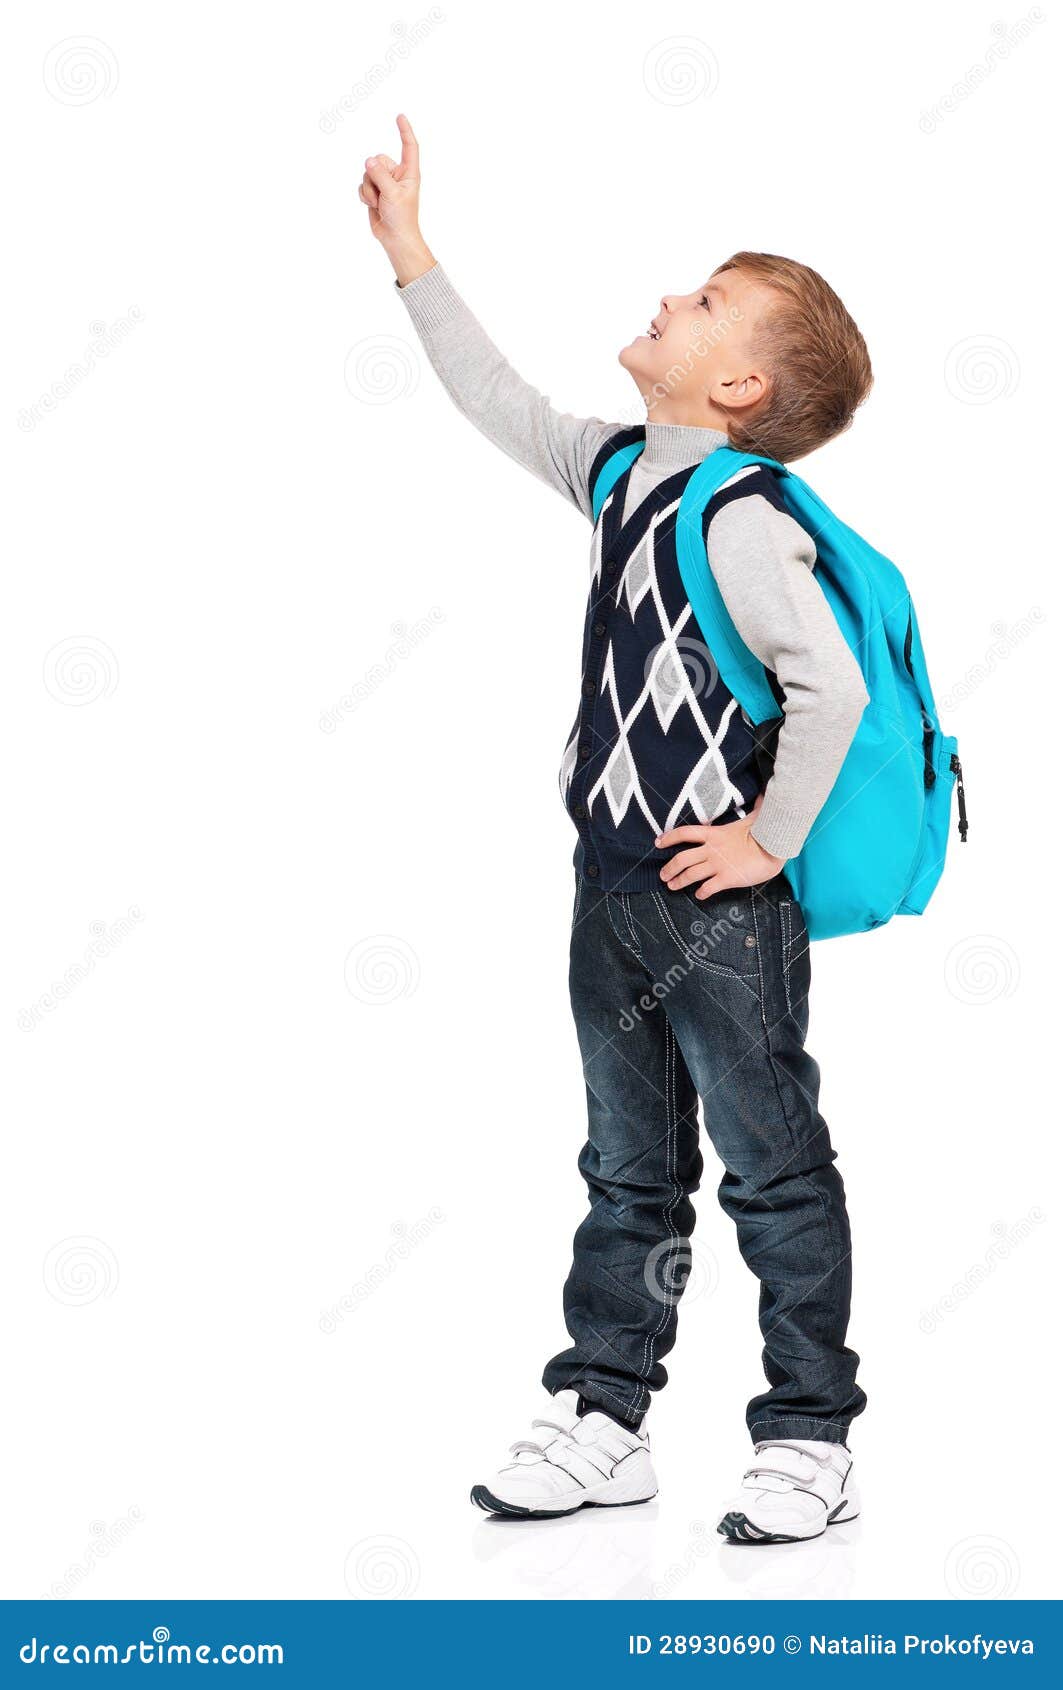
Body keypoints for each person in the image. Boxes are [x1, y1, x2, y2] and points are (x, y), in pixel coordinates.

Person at [359, 115, 870, 1543]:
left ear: (743, 380)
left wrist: (765, 842)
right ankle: (605, 1409)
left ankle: (811, 1431)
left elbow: (830, 683)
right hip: (612, 884)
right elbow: (494, 396)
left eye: (704, 302)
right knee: (628, 1162)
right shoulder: (618, 472)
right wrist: (410, 252)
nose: (670, 298)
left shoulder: (745, 517)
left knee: (772, 1161)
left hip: (721, 903)